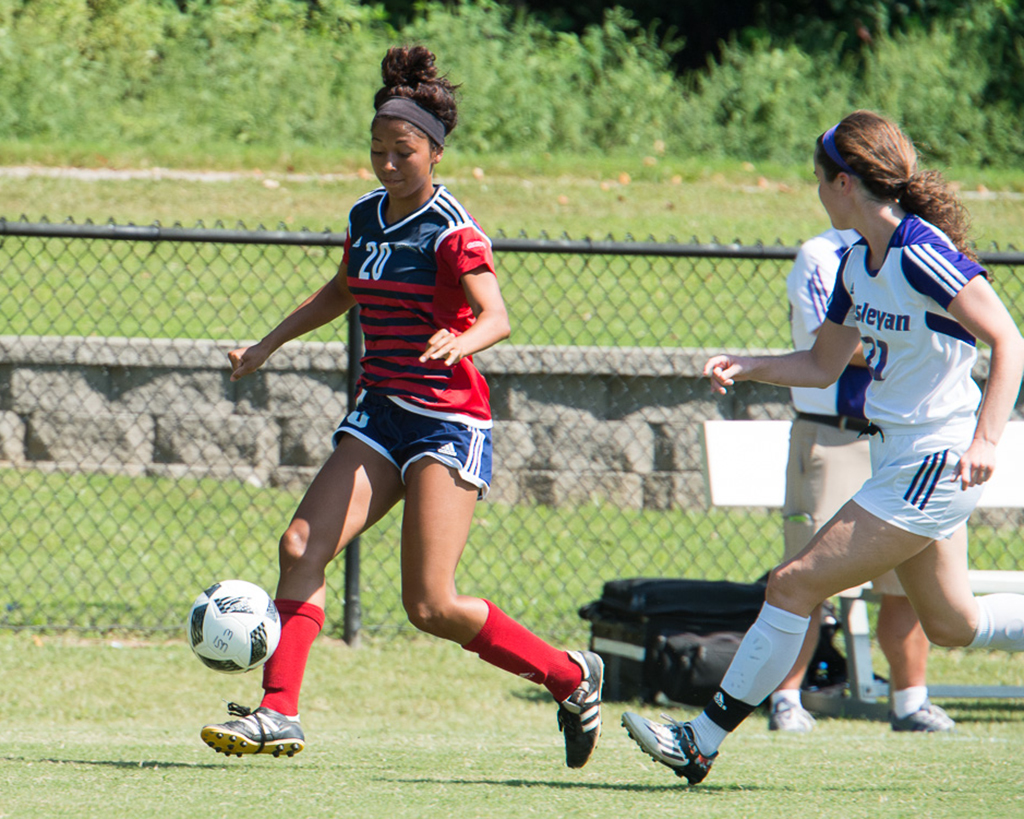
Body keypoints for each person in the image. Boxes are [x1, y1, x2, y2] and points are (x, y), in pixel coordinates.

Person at [200, 46, 603, 768]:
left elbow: (498, 314)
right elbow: (342, 289)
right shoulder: (365, 216)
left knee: (431, 606)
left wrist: (464, 337)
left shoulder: (451, 227)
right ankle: (278, 711)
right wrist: (266, 345)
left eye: (403, 151)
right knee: (300, 545)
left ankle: (571, 678)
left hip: (447, 423)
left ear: (436, 151)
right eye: (378, 151)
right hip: (382, 411)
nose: (387, 164)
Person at [622, 109, 1024, 784]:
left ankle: (700, 739)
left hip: (937, 460)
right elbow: (821, 365)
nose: (813, 191)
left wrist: (987, 437)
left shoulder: (919, 250)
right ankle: (702, 737)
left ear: (843, 182)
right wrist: (747, 366)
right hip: (898, 455)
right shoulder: (852, 265)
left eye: (816, 179)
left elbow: (1009, 339)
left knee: (793, 581)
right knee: (954, 622)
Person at [770, 226, 954, 734]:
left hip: (899, 440)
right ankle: (787, 698)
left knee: (906, 582)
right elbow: (821, 347)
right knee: (806, 575)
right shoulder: (821, 255)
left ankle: (909, 701)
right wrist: (906, 333)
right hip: (833, 435)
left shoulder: (921, 247)